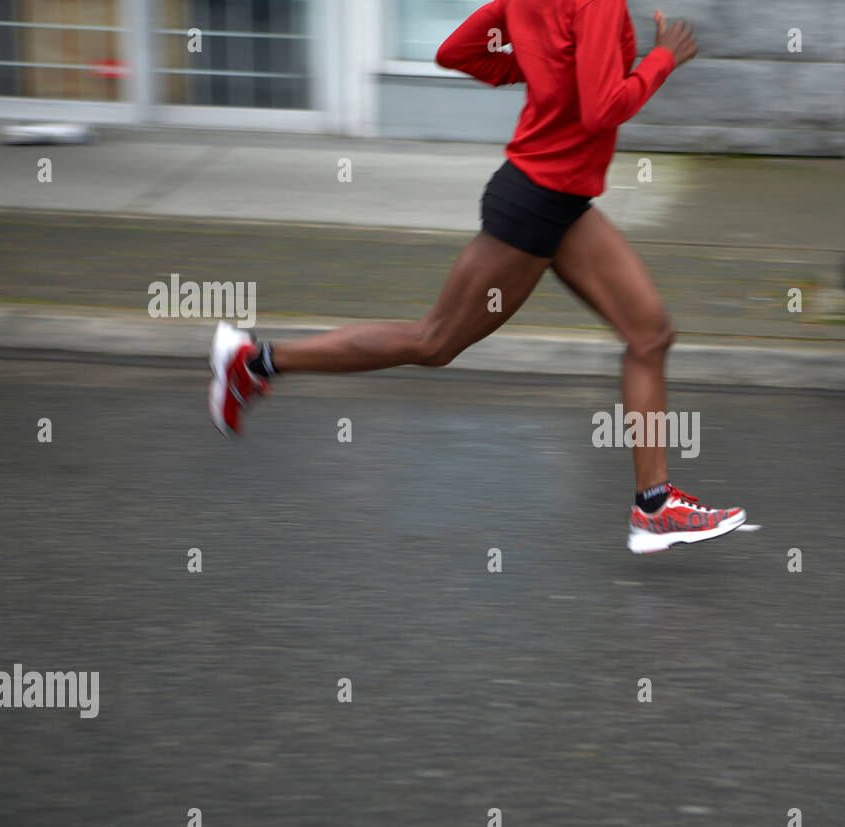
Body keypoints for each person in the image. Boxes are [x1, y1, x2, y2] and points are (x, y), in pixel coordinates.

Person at [208, 2, 746, 554]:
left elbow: (458, 52)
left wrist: (544, 71)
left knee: (650, 335)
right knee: (434, 342)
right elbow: (601, 111)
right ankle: (255, 362)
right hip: (536, 204)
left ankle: (654, 507)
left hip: (561, 202)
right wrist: (661, 59)